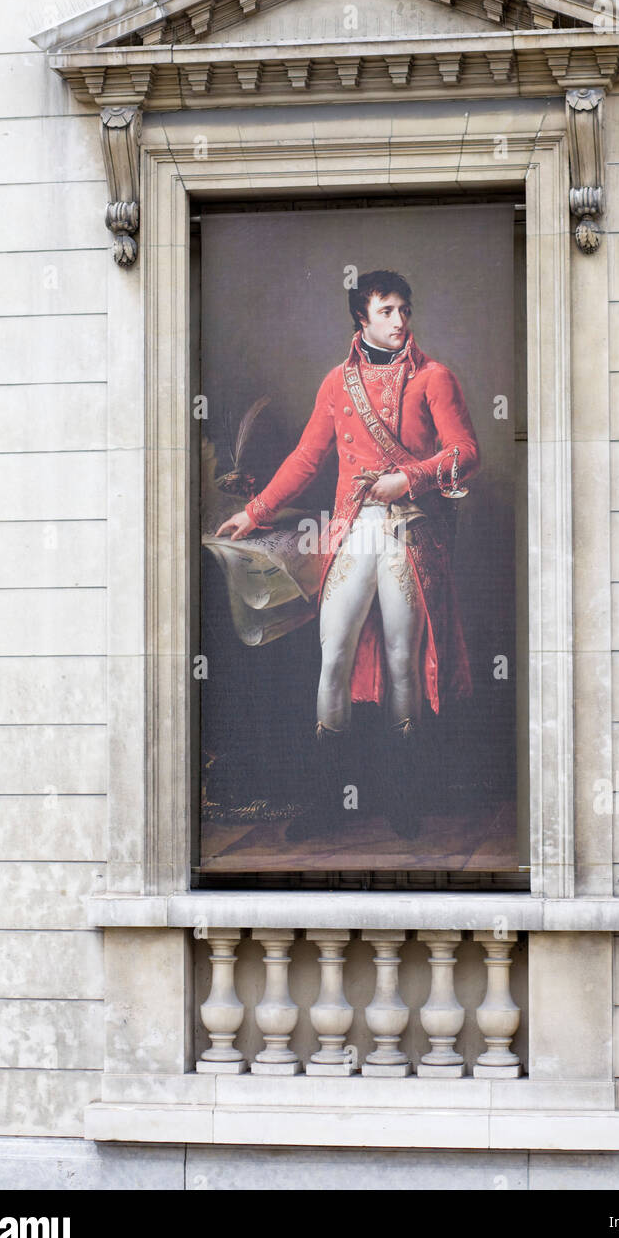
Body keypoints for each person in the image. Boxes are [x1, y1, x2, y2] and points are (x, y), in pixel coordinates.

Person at [216, 270, 480, 829]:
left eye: (405, 310)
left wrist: (407, 481)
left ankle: (404, 799)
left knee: (403, 662)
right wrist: (254, 511)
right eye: (387, 311)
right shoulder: (337, 383)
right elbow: (307, 458)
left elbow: (466, 453)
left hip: (409, 531)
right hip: (352, 530)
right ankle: (323, 802)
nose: (400, 321)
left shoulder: (436, 377)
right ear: (362, 317)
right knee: (332, 657)